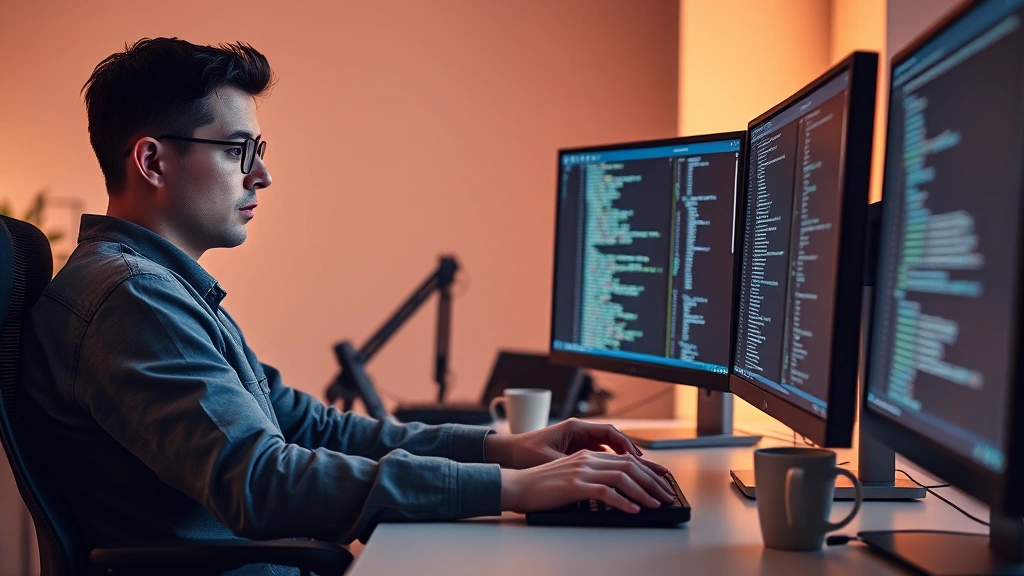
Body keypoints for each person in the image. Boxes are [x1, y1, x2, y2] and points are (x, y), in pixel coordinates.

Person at [22, 37, 674, 566]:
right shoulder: (130, 301)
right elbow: (263, 483)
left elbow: (312, 427)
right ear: (153, 162)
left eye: (261, 150)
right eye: (236, 150)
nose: (263, 174)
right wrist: (513, 489)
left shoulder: (160, 288)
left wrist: (507, 451)